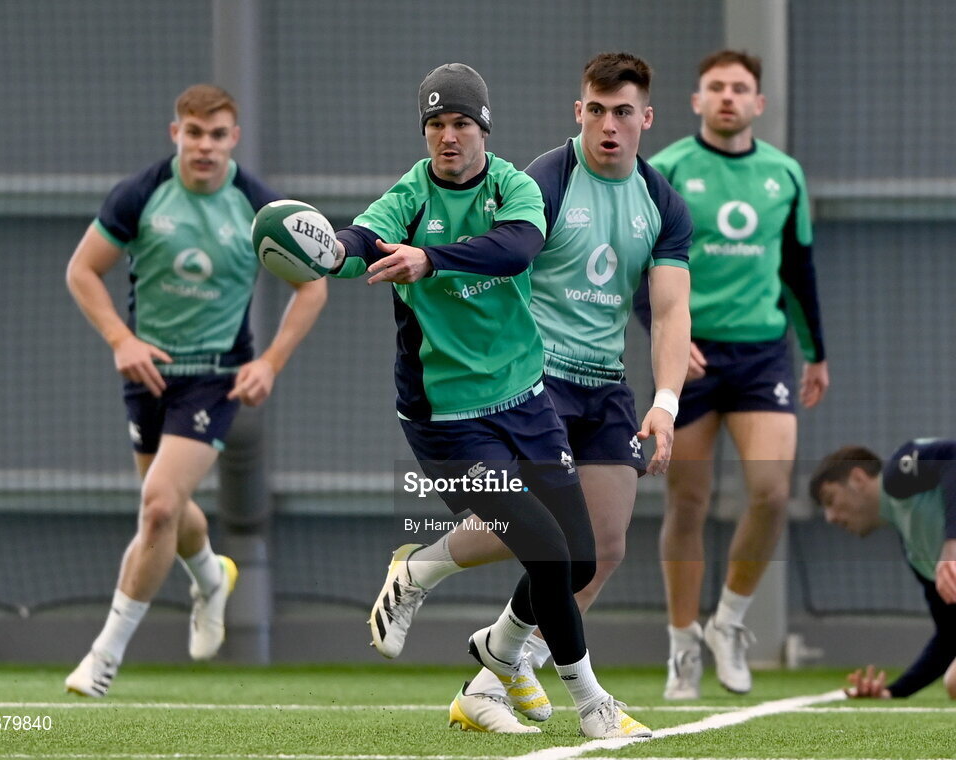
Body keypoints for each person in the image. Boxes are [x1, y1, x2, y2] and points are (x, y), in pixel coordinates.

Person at [364, 53, 692, 733]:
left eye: (622, 112)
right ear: (579, 112)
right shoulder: (544, 180)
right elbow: (496, 259)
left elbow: (668, 310)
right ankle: (555, 687)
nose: (608, 125)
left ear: (646, 118)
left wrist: (666, 401)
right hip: (530, 380)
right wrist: (366, 251)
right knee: (540, 536)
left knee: (597, 549)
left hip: (603, 384)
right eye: (596, 110)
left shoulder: (662, 202)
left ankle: (496, 657)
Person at [63, 84, 327, 697]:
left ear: (234, 138)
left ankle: (104, 657)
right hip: (148, 375)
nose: (205, 146)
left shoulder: (259, 208)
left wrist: (270, 363)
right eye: (194, 133)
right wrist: (121, 340)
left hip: (214, 378)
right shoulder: (140, 194)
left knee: (157, 506)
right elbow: (82, 270)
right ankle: (211, 576)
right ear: (175, 134)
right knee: (171, 510)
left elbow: (312, 286)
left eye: (217, 134)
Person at [637, 49, 830, 699]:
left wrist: (817, 352)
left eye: (739, 88)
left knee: (772, 492)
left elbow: (798, 270)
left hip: (762, 356)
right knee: (687, 501)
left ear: (758, 103)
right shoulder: (666, 171)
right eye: (716, 87)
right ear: (697, 101)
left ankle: (729, 622)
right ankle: (681, 646)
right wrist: (668, 338)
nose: (727, 96)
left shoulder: (785, 175)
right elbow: (640, 267)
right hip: (691, 356)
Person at [809, 440, 956, 700]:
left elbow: (952, 456)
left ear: (858, 478)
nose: (830, 518)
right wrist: (891, 692)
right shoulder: (916, 551)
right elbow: (949, 636)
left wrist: (952, 547)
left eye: (830, 500)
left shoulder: (897, 475)